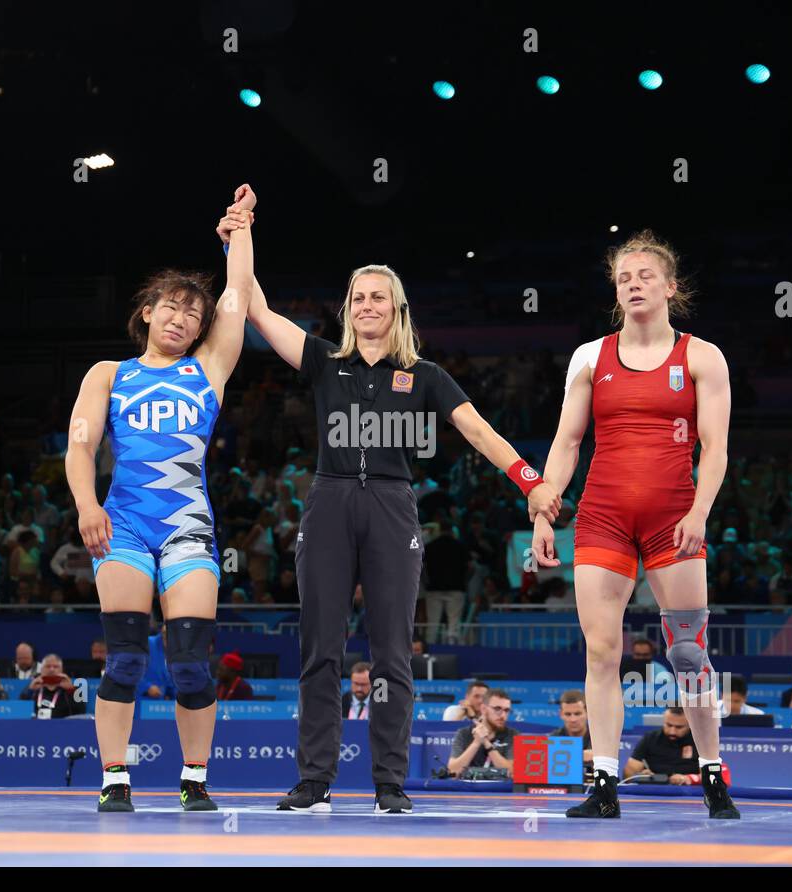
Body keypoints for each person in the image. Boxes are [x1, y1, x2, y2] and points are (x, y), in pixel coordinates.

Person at [227, 205, 557, 815]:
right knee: (320, 648)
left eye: (379, 297)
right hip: (328, 504)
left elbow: (480, 433)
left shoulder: (424, 374)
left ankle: (389, 783)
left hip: (391, 507)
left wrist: (529, 481)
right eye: (358, 297)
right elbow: (254, 307)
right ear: (347, 307)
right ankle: (314, 779)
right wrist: (240, 238)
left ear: (397, 309)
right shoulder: (324, 361)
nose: (367, 306)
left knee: (392, 653)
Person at [533, 231, 739, 819]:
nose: (634, 284)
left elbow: (716, 448)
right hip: (602, 517)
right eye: (624, 278)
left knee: (690, 654)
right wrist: (547, 506)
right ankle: (602, 784)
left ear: (671, 287)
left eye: (645, 275)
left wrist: (700, 511)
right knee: (602, 650)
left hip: (675, 519)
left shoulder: (702, 356)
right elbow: (568, 441)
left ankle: (710, 773)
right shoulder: (589, 358)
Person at [68, 184, 256, 812]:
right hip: (121, 524)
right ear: (146, 312)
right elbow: (80, 447)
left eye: (192, 315)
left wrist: (241, 230)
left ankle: (194, 779)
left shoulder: (208, 371)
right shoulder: (109, 375)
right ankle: (115, 777)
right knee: (123, 658)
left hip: (188, 528)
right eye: (171, 307)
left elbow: (237, 300)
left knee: (192, 664)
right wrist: (87, 505)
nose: (182, 319)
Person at [446, 688, 517, 776]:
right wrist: (476, 742)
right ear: (483, 709)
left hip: (499, 789)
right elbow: (453, 772)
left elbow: (511, 773)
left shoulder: (512, 735)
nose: (503, 715)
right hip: (469, 788)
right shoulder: (463, 733)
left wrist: (487, 743)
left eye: (506, 710)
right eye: (497, 709)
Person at [624, 707, 702, 785]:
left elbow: (709, 775)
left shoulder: (700, 742)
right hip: (655, 790)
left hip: (691, 792)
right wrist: (641, 776)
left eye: (679, 727)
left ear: (690, 724)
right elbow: (628, 776)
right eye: (669, 725)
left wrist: (689, 779)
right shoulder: (650, 738)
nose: (672, 732)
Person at [24, 654, 85, 719]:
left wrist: (71, 690)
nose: (51, 669)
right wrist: (30, 690)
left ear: (61, 670)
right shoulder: (34, 686)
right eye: (48, 666)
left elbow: (81, 711)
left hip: (63, 727)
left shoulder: (70, 689)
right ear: (41, 670)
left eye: (56, 667)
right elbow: (20, 710)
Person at [550, 689, 593, 766]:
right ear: (561, 714)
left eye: (577, 714)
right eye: (568, 714)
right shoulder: (553, 738)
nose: (573, 719)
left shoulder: (599, 740)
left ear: (587, 713)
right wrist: (581, 756)